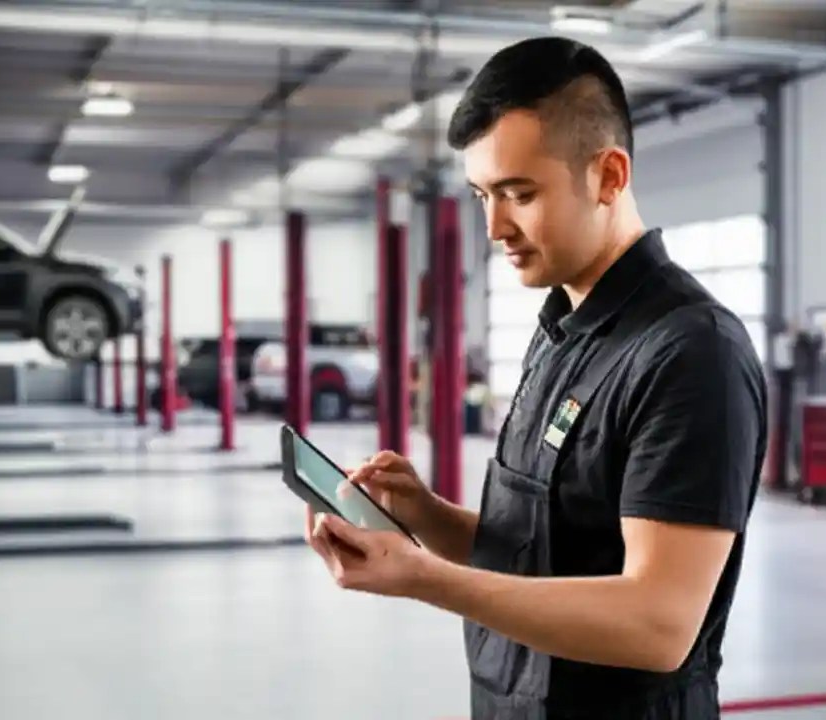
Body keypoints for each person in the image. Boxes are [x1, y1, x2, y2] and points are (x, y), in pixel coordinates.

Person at [305, 36, 766, 720]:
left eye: (519, 194)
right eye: (482, 195)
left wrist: (427, 580)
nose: (494, 226)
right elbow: (539, 551)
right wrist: (426, 518)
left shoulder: (692, 353)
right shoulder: (560, 329)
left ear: (609, 176)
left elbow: (659, 623)